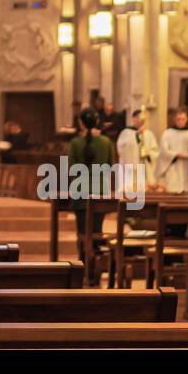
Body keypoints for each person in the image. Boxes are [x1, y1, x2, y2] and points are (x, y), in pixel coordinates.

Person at [67, 106, 116, 263]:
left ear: (81, 123)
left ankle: (82, 266)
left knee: (82, 233)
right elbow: (110, 167)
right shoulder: (106, 142)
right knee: (97, 232)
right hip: (100, 191)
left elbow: (72, 169)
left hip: (80, 191)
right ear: (97, 122)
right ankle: (96, 267)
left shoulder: (75, 143)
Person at [156, 107, 188, 193]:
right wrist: (178, 154)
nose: (181, 121)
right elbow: (164, 151)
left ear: (187, 119)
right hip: (174, 167)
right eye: (178, 119)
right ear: (175, 120)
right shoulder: (168, 133)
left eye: (183, 119)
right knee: (173, 192)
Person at [116, 108, 158, 194]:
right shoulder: (126, 132)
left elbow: (155, 151)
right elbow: (122, 149)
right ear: (133, 119)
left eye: (143, 119)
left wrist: (148, 154)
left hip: (144, 168)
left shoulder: (149, 134)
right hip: (130, 171)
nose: (142, 121)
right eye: (139, 118)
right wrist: (137, 134)